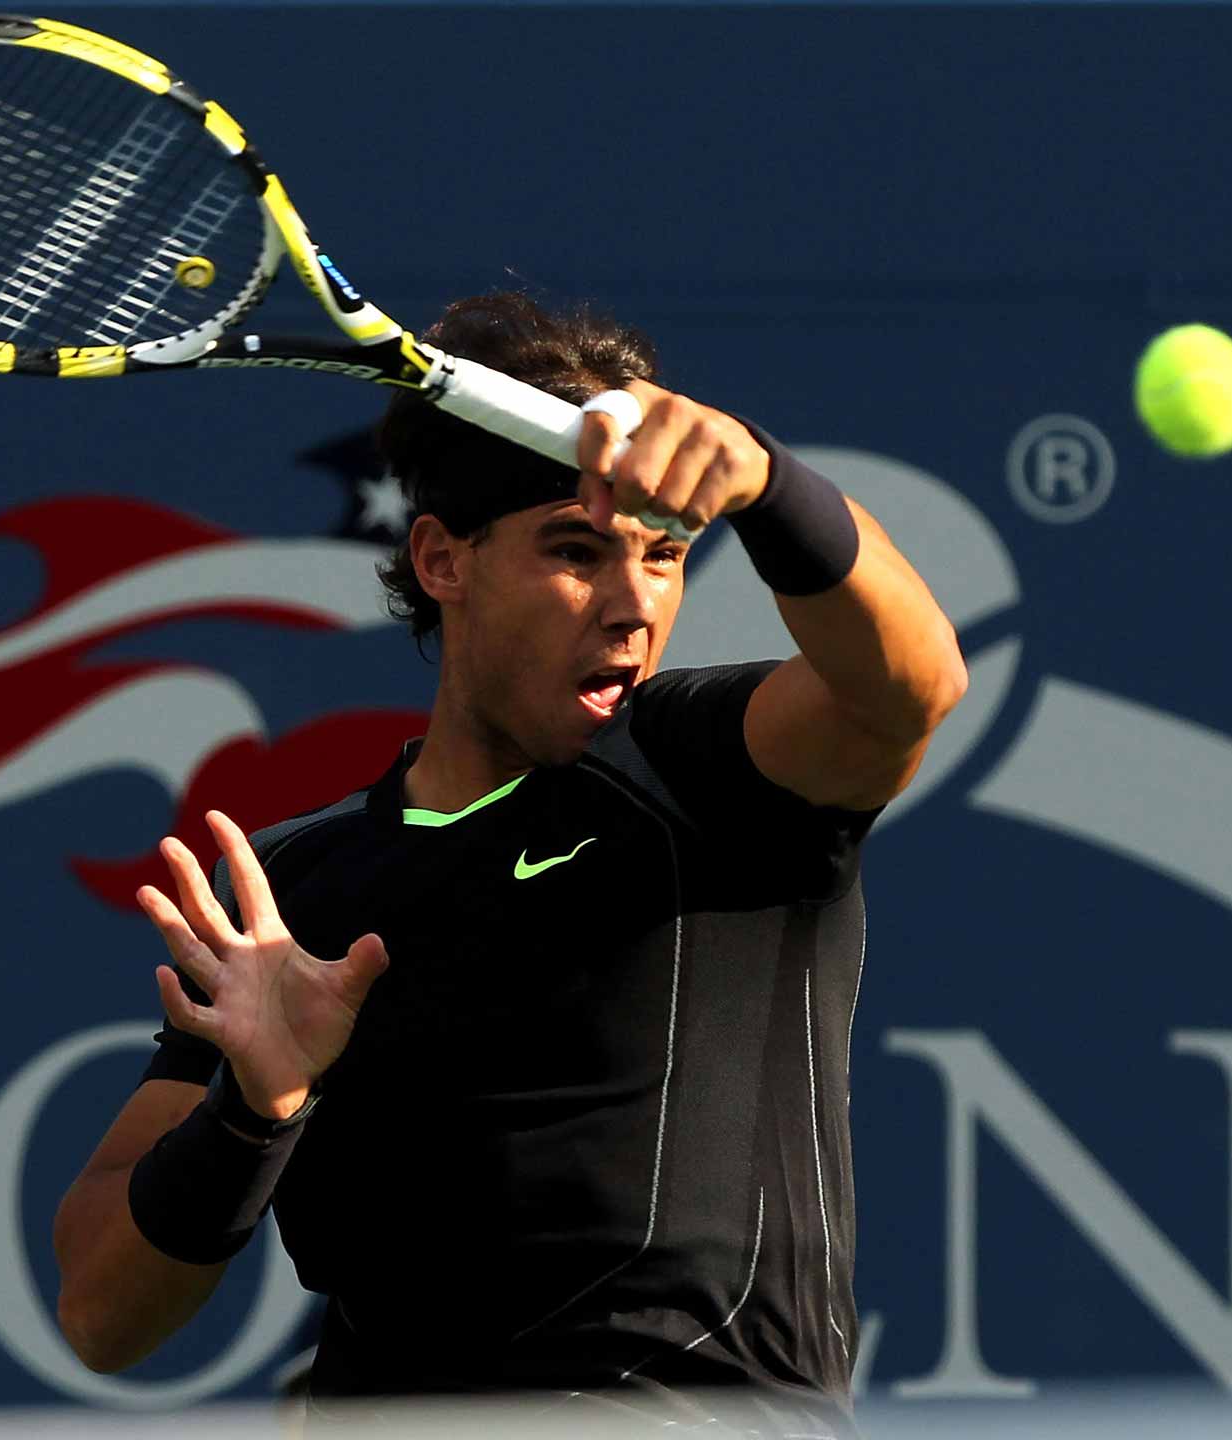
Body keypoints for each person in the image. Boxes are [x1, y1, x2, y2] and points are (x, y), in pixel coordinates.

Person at [50, 293, 969, 1435]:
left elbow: (908, 691)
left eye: (666, 554)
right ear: (443, 558)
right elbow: (100, 1312)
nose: (634, 604)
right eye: (576, 551)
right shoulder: (293, 896)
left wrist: (771, 485)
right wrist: (253, 1109)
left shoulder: (703, 772)